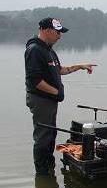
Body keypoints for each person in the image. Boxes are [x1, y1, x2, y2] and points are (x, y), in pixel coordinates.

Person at [25, 17, 97, 175]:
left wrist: (80, 66)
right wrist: (57, 92)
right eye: (57, 32)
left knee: (51, 134)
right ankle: (42, 173)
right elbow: (35, 80)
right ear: (46, 30)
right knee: (43, 135)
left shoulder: (49, 50)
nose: (60, 35)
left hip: (50, 101)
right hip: (40, 100)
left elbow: (59, 70)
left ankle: (49, 166)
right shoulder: (34, 50)